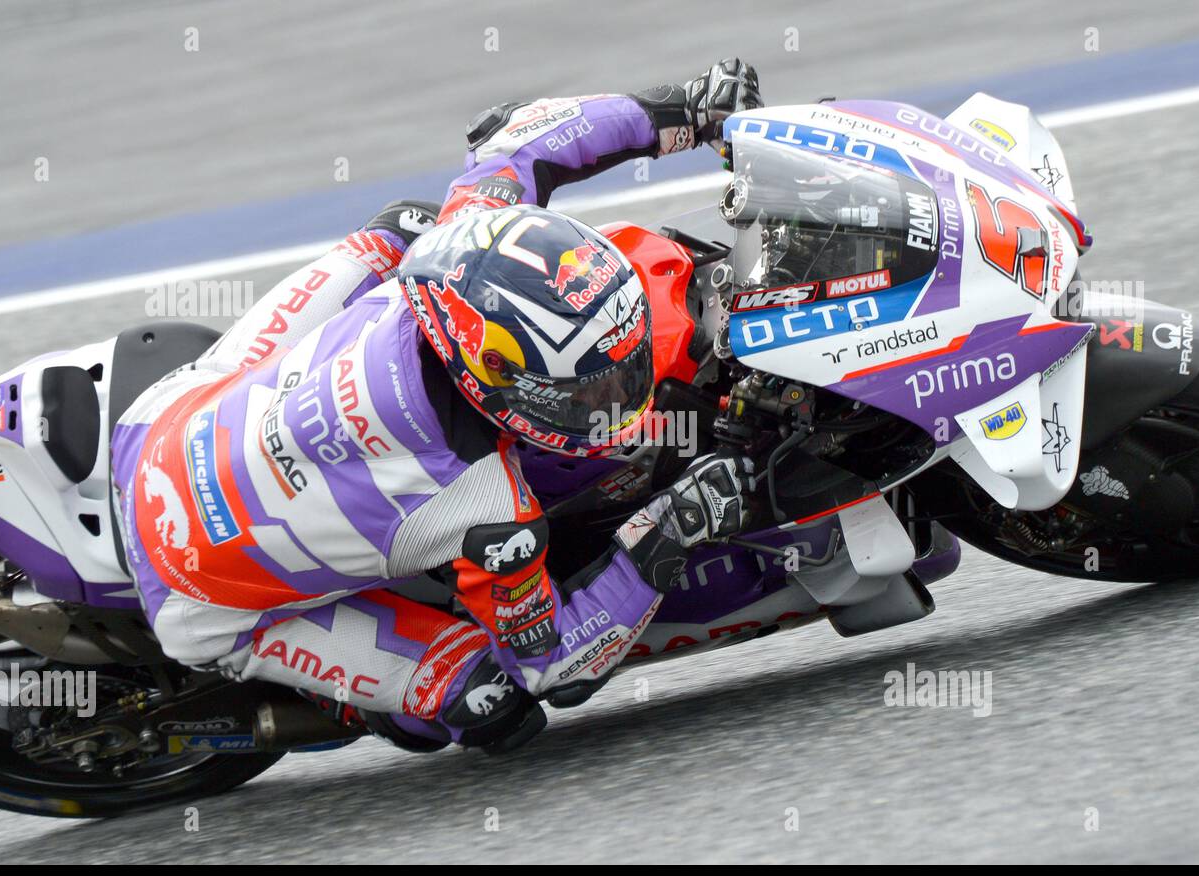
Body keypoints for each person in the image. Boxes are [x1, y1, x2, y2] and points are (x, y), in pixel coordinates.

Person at [111, 59, 762, 750]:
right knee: (494, 697)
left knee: (404, 228)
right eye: (591, 389)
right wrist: (673, 528)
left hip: (163, 418)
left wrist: (683, 107)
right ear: (499, 386)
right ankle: (356, 698)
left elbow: (518, 140)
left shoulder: (460, 240)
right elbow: (552, 662)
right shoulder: (485, 503)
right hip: (199, 598)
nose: (614, 397)